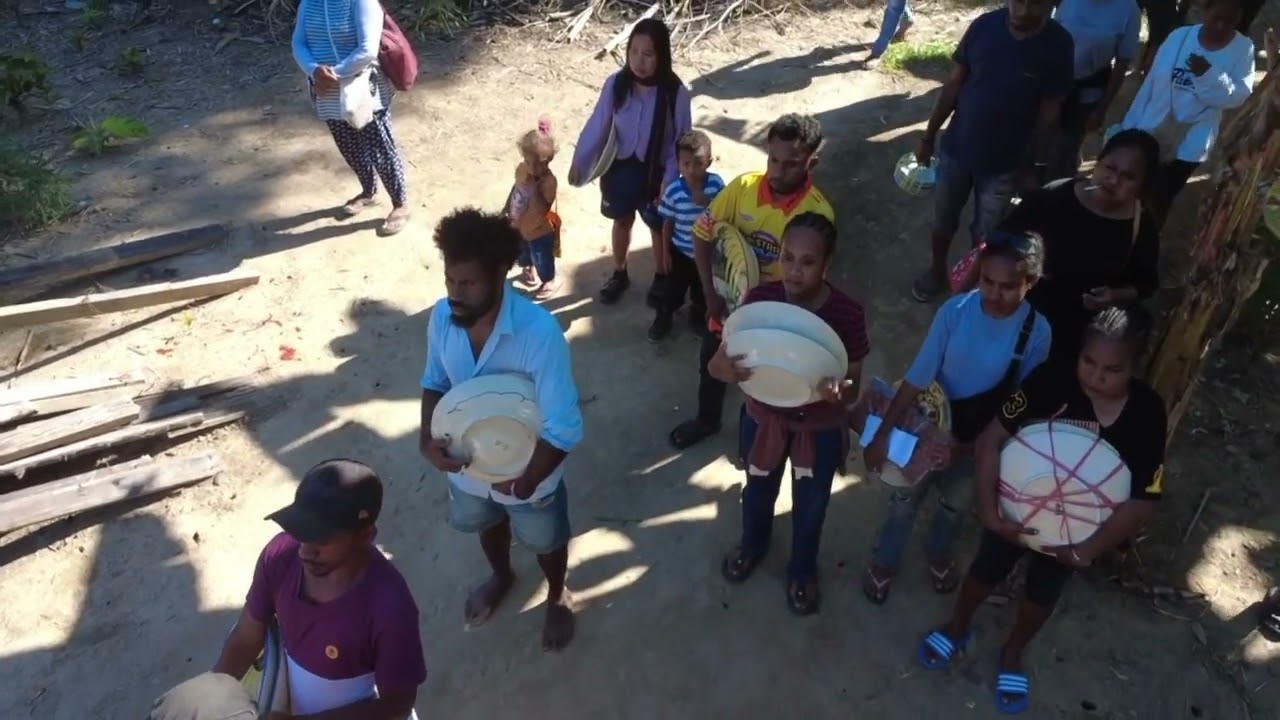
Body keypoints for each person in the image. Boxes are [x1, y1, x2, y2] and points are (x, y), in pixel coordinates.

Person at [916, 304, 1167, 715]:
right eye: (1089, 361)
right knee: (985, 569)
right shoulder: (1050, 380)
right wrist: (991, 513)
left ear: (1135, 366)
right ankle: (957, 625)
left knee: (1043, 591)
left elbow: (1144, 498)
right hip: (1015, 507)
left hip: (1080, 532)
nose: (1096, 375)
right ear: (1079, 351)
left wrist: (1088, 548)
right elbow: (989, 441)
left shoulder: (1148, 412)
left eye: (1112, 369)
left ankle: (1013, 651)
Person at [418, 208, 584, 652]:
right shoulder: (441, 319)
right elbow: (435, 382)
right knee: (485, 521)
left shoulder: (539, 334)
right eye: (450, 280)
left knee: (545, 537)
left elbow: (564, 427)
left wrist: (526, 481)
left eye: (468, 283)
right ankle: (503, 574)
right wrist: (424, 440)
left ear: (500, 274)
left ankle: (556, 593)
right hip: (466, 464)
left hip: (532, 467)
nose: (455, 293)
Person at [863, 233, 1052, 605]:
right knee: (905, 498)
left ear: (1029, 284)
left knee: (954, 505)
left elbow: (1022, 402)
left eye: (1008, 286)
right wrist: (883, 434)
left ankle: (938, 551)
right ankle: (885, 560)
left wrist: (968, 449)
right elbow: (919, 375)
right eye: (987, 282)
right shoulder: (955, 312)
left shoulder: (1038, 333)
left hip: (982, 438)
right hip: (929, 422)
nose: (993, 294)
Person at [168, 459, 428, 720]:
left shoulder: (391, 608)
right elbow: (247, 638)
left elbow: (395, 706)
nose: (304, 550)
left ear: (365, 536)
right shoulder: (280, 555)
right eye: (301, 531)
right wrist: (212, 697)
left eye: (322, 539)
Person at [712, 213, 870, 615]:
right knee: (758, 489)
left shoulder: (847, 315)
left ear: (827, 265)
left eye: (808, 261)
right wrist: (725, 370)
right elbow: (717, 364)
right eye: (788, 257)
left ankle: (802, 569)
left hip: (816, 431)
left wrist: (836, 393)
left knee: (811, 504)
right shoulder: (759, 303)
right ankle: (753, 544)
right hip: (763, 421)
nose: (794, 271)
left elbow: (851, 387)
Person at [667, 113, 836, 450]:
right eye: (773, 159)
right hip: (728, 302)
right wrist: (710, 294)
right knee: (713, 362)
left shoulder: (818, 215)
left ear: (811, 162)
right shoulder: (743, 189)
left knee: (764, 378)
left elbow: (814, 284)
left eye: (791, 163)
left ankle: (757, 437)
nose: (777, 170)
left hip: (777, 314)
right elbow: (702, 233)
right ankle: (707, 420)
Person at [909, 0, 1074, 303]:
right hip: (957, 150)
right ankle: (936, 271)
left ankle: (975, 283)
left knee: (987, 235)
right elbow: (954, 84)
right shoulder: (983, 27)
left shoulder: (1059, 45)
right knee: (943, 220)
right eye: (1018, 1)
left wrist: (1036, 166)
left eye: (1035, 4)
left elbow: (1049, 113)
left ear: (1053, 4)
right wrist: (929, 136)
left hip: (1005, 165)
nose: (1022, 10)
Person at [999, 129, 1161, 374]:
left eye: (1128, 177)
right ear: (1097, 162)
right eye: (1110, 168)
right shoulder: (1055, 196)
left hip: (1073, 337)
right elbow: (1004, 237)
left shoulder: (1141, 228)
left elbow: (1145, 283)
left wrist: (1115, 295)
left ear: (1142, 184)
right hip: (1018, 317)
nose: (1114, 180)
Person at [569, 18, 693, 307]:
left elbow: (682, 140)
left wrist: (671, 179)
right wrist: (581, 162)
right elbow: (599, 124)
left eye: (648, 54)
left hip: (658, 171)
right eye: (634, 51)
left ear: (662, 56)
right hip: (621, 166)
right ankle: (619, 272)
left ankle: (661, 276)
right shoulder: (616, 84)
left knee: (657, 226)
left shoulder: (675, 93)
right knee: (621, 219)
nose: (640, 61)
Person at [1120, 0, 1255, 223]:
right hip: (1149, 131)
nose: (1221, 26)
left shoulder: (1244, 50)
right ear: (1205, 11)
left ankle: (1145, 243)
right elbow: (1151, 84)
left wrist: (1208, 75)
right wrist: (1129, 127)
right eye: (1216, 18)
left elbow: (1235, 98)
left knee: (1158, 201)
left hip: (1190, 144)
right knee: (1133, 191)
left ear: (1239, 18)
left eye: (1229, 21)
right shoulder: (1179, 37)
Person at [292, 0, 411, 236]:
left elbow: (367, 48)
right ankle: (369, 191)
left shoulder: (361, 2)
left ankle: (400, 203)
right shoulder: (309, 3)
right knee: (349, 147)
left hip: (362, 88)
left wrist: (333, 74)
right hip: (326, 91)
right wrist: (314, 69)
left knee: (380, 149)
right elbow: (298, 43)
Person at [1048, 0, 1141, 179]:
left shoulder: (1129, 10)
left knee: (1068, 146)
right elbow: (1050, 38)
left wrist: (1101, 109)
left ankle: (1059, 189)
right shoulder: (1068, 2)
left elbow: (1122, 64)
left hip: (1088, 93)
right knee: (1044, 142)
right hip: (1055, 85)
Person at [649, 129, 726, 342]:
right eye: (686, 164)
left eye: (699, 163)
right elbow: (668, 223)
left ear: (709, 162)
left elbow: (725, 214)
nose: (692, 169)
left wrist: (709, 203)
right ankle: (663, 317)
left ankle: (697, 315)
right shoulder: (674, 191)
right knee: (672, 291)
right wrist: (665, 253)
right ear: (678, 163)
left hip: (708, 254)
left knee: (703, 289)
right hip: (681, 251)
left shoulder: (716, 185)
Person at [508, 117, 561, 300]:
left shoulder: (548, 182)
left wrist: (535, 189)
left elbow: (543, 208)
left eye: (537, 164)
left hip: (540, 230)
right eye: (528, 162)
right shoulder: (523, 169)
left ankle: (549, 280)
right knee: (523, 252)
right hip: (521, 225)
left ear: (546, 162)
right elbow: (516, 187)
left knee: (542, 257)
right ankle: (528, 266)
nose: (531, 168)